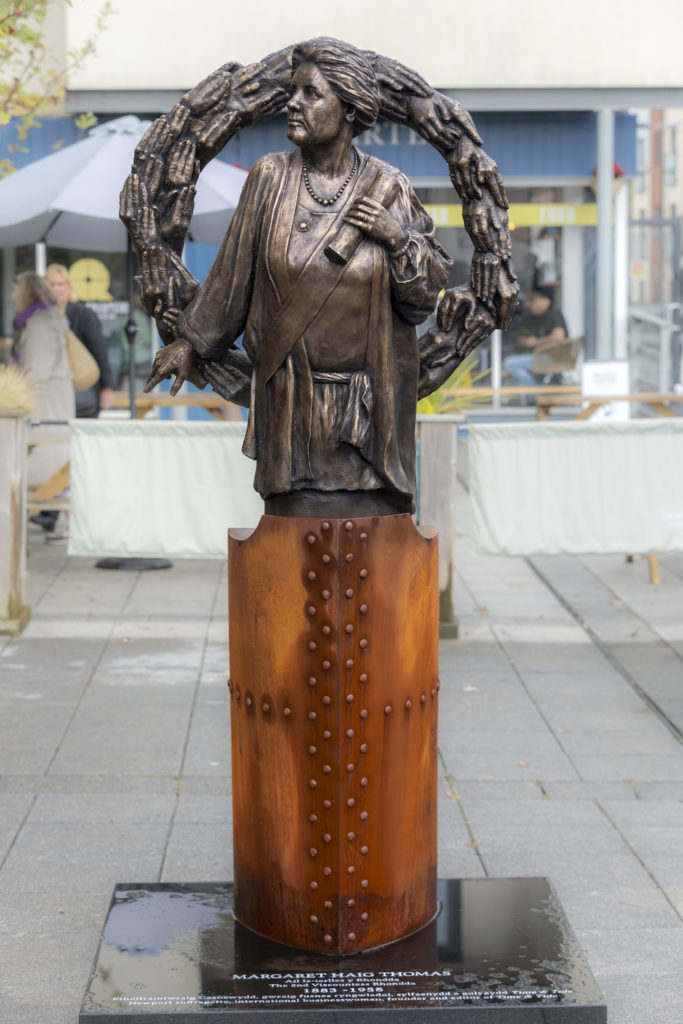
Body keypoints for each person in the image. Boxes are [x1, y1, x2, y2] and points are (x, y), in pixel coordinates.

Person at [145, 38, 451, 518]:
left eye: (311, 93)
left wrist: (396, 238)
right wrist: (191, 344)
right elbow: (231, 279)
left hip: (367, 416)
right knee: (291, 538)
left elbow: (423, 299)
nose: (293, 102)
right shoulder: (269, 176)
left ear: (350, 109)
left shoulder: (389, 186)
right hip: (290, 407)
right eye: (292, 91)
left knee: (373, 539)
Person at [13, 271, 74, 538]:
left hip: (45, 408)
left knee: (46, 469)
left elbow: (36, 372)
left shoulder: (39, 323)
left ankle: (21, 527)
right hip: (52, 405)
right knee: (56, 472)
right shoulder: (48, 318)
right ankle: (65, 525)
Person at [45, 263, 116, 417]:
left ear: (68, 287)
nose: (56, 289)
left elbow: (99, 351)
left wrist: (107, 387)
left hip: (82, 390)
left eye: (60, 284)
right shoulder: (40, 316)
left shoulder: (83, 315)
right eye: (51, 284)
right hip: (51, 392)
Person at [502, 285, 568, 397]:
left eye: (530, 308)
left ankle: (534, 395)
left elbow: (558, 337)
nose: (531, 311)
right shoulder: (549, 314)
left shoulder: (554, 313)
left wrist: (535, 342)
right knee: (512, 365)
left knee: (509, 363)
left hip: (553, 358)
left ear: (536, 301)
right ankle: (534, 393)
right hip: (550, 357)